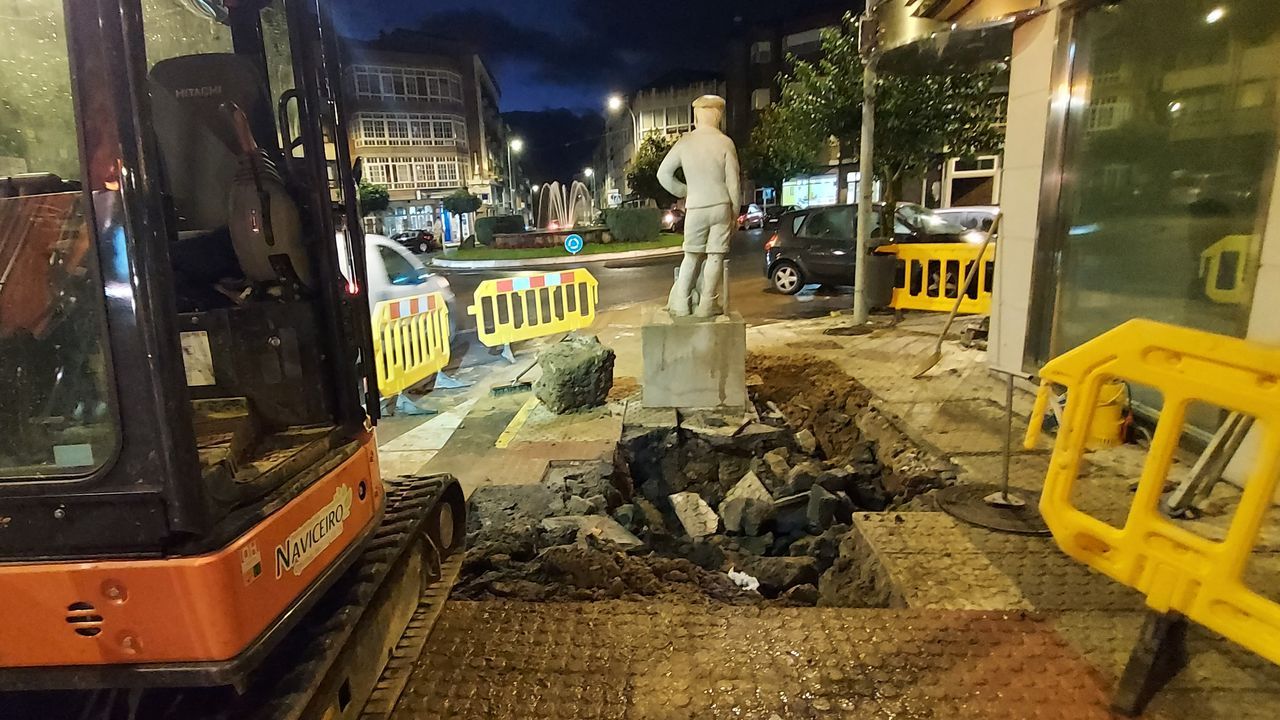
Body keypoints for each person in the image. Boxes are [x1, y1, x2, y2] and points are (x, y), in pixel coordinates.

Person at [657, 95, 741, 318]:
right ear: (718, 116)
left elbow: (663, 174)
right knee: (715, 256)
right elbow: (734, 183)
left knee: (691, 255)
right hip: (721, 205)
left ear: (696, 117)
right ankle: (706, 305)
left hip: (696, 206)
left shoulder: (686, 142)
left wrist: (684, 191)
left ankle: (682, 304)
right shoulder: (725, 143)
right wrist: (735, 213)